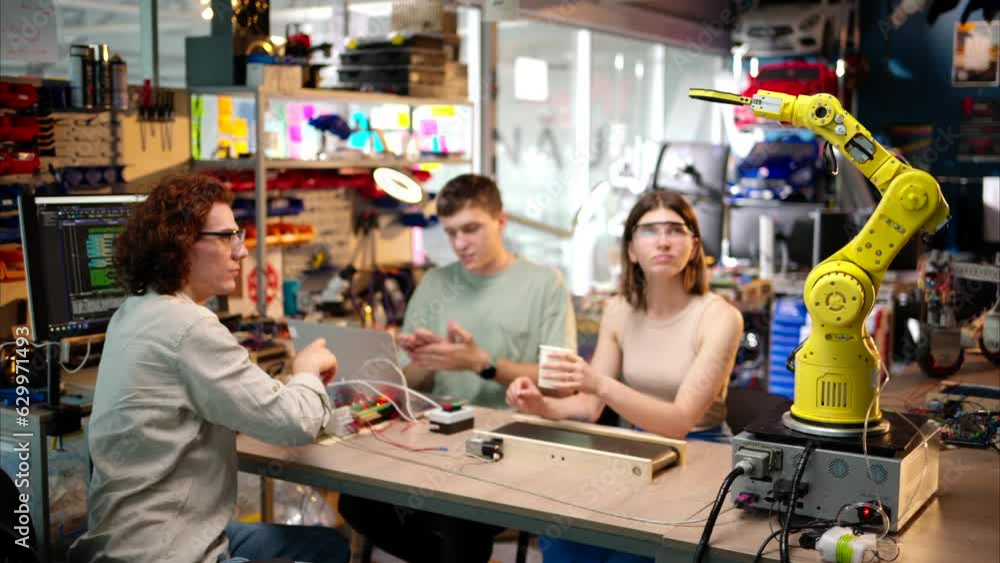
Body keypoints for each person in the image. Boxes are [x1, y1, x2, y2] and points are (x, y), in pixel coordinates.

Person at [68, 175, 350, 563]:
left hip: (130, 538)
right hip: (167, 552)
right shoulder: (188, 326)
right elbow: (295, 423)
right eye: (227, 236)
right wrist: (306, 370)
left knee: (327, 545)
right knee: (328, 550)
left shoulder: (135, 311)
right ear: (182, 244)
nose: (242, 251)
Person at [338, 173, 577, 563]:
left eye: (471, 229)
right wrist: (424, 361)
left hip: (508, 449)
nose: (460, 243)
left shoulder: (544, 285)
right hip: (432, 443)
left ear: (501, 222)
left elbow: (561, 387)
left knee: (458, 517)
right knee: (356, 502)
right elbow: (403, 387)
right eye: (451, 233)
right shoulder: (435, 282)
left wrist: (483, 364)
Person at [506, 190, 744, 563]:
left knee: (628, 559)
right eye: (649, 231)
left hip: (704, 458)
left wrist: (600, 383)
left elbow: (681, 421)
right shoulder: (618, 311)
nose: (663, 241)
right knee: (559, 543)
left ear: (694, 244)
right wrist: (541, 404)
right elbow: (588, 406)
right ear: (631, 248)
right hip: (641, 455)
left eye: (675, 230)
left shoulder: (720, 317)